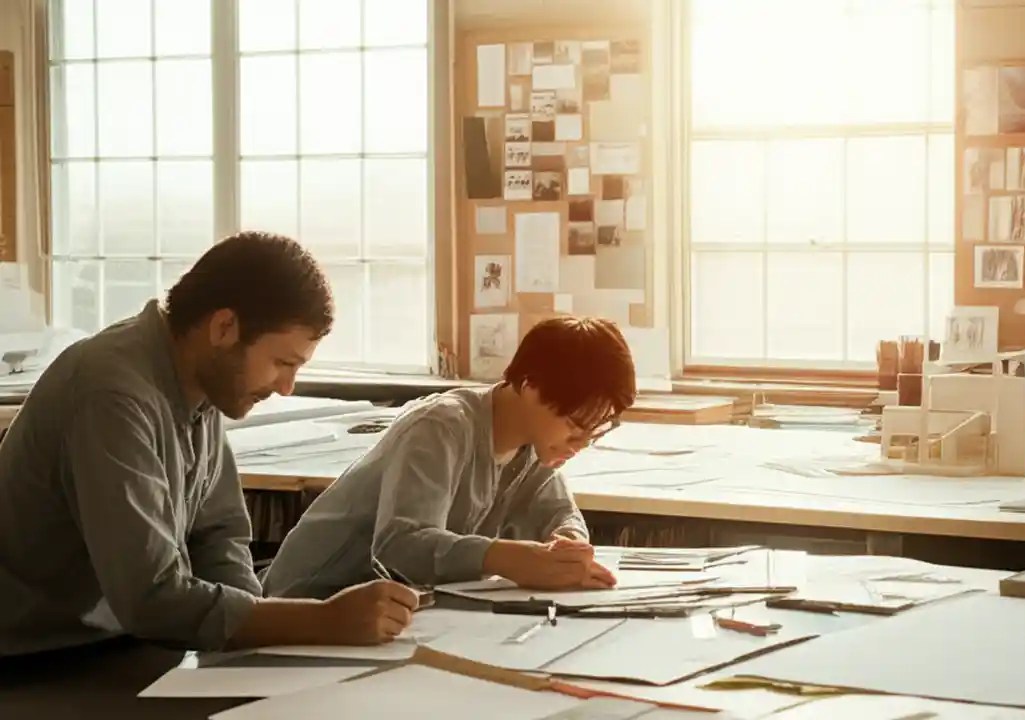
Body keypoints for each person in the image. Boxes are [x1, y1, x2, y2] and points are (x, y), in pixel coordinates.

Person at [0, 231, 417, 657]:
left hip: (122, 644)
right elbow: (152, 598)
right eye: (282, 362)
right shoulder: (111, 394)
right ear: (224, 328)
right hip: (39, 659)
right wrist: (322, 621)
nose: (287, 387)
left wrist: (259, 636)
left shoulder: (203, 385)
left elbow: (219, 536)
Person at [262, 316, 637, 600]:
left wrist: (567, 544)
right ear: (530, 386)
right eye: (575, 426)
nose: (582, 443)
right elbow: (400, 547)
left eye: (597, 430)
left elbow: (558, 513)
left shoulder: (535, 445)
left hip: (393, 614)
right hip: (307, 606)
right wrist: (505, 558)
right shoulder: (442, 426)